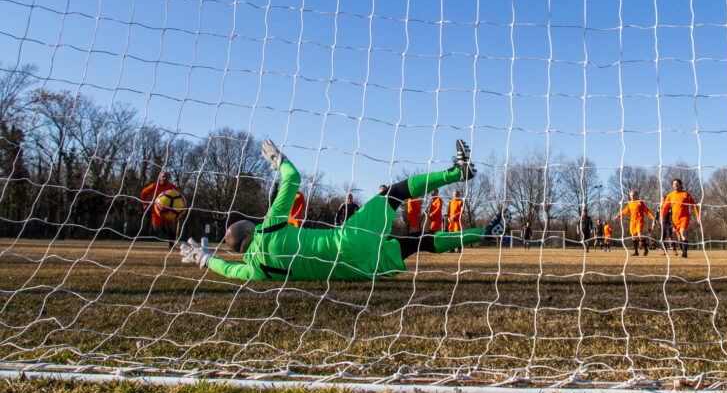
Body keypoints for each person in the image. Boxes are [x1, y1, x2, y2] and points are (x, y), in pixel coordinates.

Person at [182, 139, 504, 282]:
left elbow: (228, 270)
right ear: (252, 229)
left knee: (419, 241)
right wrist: (277, 159)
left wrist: (207, 259)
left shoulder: (254, 270)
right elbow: (293, 177)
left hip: (355, 271)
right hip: (348, 241)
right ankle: (456, 172)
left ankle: (488, 233)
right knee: (395, 193)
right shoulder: (268, 226)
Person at [140, 171, 182, 249]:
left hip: (169, 211)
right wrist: (145, 204)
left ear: (169, 178)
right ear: (160, 177)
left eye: (167, 177)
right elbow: (143, 193)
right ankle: (162, 226)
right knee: (157, 229)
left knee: (172, 227)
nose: (165, 178)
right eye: (163, 176)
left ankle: (171, 245)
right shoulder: (154, 186)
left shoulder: (173, 188)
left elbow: (178, 199)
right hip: (157, 211)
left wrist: (178, 210)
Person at [660, 178, 700, 258]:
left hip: (684, 217)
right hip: (675, 219)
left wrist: (698, 216)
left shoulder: (685, 194)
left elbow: (694, 205)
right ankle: (682, 249)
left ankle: (685, 253)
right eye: (674, 184)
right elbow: (665, 207)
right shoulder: (670, 195)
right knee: (678, 236)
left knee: (683, 232)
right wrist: (662, 217)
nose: (675, 185)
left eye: (677, 183)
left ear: (680, 184)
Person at [616, 191, 656, 257]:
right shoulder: (630, 203)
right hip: (632, 221)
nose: (632, 196)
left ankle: (646, 249)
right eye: (631, 195)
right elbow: (625, 211)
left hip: (639, 220)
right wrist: (618, 216)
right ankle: (636, 252)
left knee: (639, 235)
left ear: (636, 195)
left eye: (633, 195)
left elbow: (647, 210)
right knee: (633, 237)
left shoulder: (640, 202)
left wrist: (653, 217)